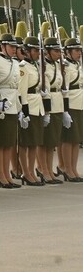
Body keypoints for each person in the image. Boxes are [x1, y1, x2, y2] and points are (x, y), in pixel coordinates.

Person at [0, 31, 22, 188]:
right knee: (1, 143)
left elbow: (17, 86)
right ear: (3, 46)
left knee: (9, 143)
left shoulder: (16, 63)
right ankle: (1, 175)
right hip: (2, 103)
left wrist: (20, 107)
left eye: (15, 47)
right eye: (11, 46)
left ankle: (7, 175)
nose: (13, 49)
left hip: (13, 103)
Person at [17, 35, 46, 186]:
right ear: (27, 51)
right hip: (28, 106)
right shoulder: (22, 67)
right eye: (35, 50)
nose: (37, 53)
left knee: (34, 142)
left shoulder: (34, 65)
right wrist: (24, 110)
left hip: (37, 106)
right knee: (25, 143)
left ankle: (31, 170)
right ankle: (26, 172)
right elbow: (22, 90)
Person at [39, 37, 64, 184]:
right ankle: (44, 170)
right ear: (47, 51)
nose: (59, 53)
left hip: (58, 103)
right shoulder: (44, 66)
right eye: (55, 51)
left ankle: (49, 169)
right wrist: (47, 112)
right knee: (45, 142)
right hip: (49, 105)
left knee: (52, 142)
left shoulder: (56, 65)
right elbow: (46, 89)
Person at [59, 38, 83, 181]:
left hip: (79, 104)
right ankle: (67, 169)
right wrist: (65, 110)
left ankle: (73, 168)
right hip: (71, 104)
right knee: (68, 139)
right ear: (68, 52)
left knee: (76, 140)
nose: (79, 53)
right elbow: (65, 89)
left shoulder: (77, 65)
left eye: (80, 50)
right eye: (76, 50)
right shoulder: (66, 67)